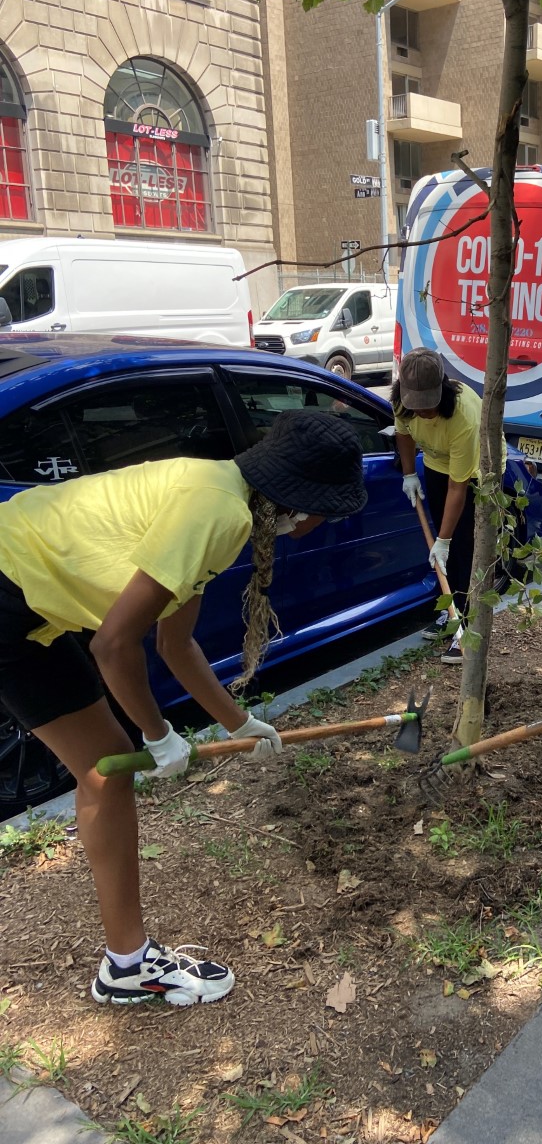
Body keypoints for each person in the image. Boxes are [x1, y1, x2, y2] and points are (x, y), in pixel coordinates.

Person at [0, 410, 367, 1007]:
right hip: (9, 592)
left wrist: (239, 722)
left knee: (102, 771)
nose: (327, 520)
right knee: (108, 767)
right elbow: (113, 646)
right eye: (331, 507)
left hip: (25, 599)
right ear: (300, 501)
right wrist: (157, 735)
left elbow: (176, 643)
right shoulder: (219, 514)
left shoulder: (220, 490)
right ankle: (128, 965)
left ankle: (125, 962)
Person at [392, 348, 503, 666]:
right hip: (436, 465)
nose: (423, 413)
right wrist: (409, 472)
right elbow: (403, 432)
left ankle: (465, 627)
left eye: (428, 405)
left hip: (476, 471)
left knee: (463, 548)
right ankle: (449, 615)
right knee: (448, 545)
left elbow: (460, 486)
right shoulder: (401, 399)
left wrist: (443, 539)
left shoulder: (463, 416)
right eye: (417, 405)